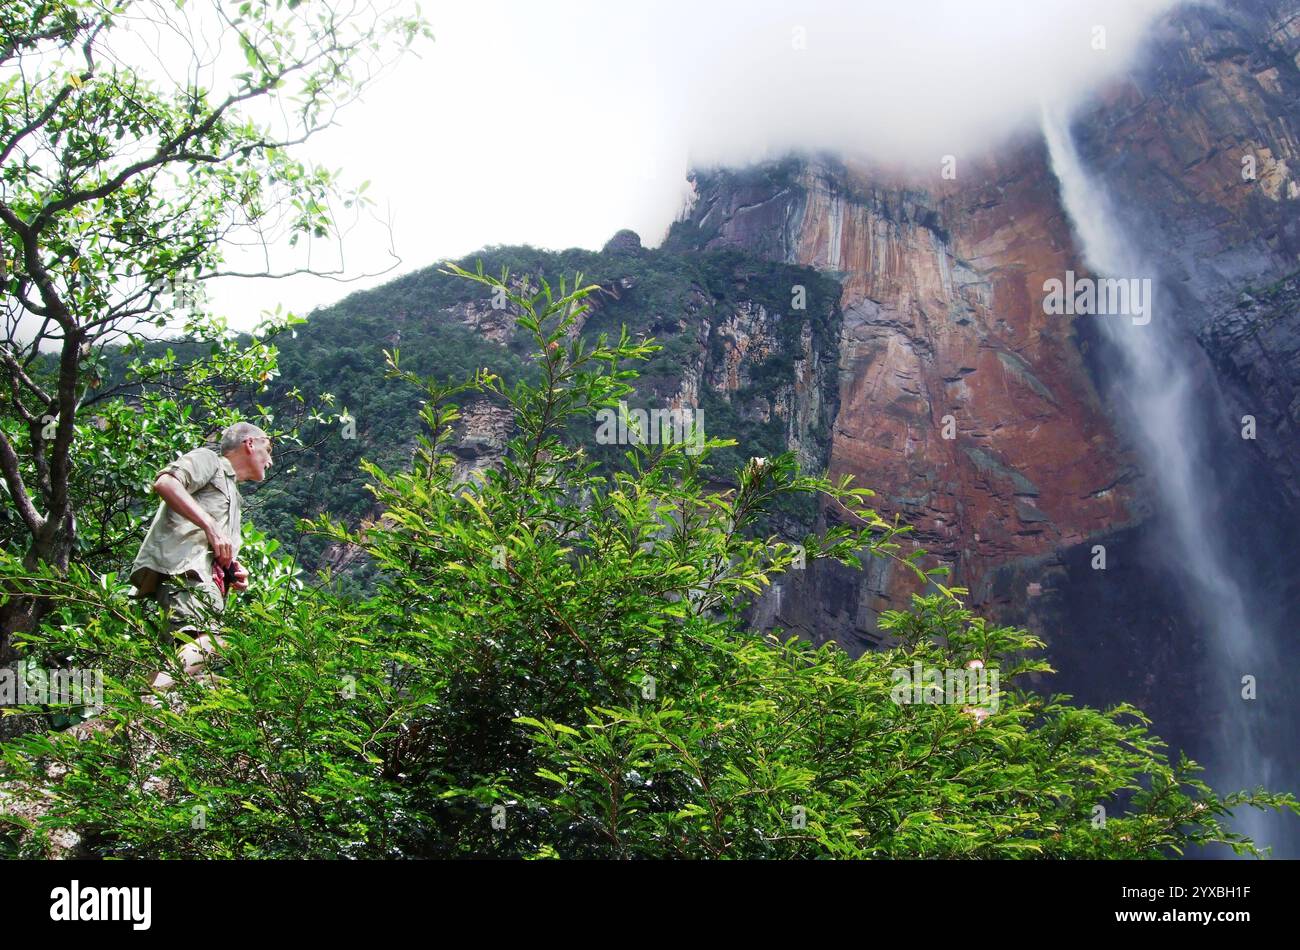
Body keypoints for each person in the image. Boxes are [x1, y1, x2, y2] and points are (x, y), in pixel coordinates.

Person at [129, 422, 273, 693]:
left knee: (182, 647)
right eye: (268, 448)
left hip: (206, 580)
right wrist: (210, 525)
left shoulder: (235, 496)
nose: (270, 460)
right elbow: (166, 483)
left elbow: (216, 545)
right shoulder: (210, 460)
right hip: (187, 572)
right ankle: (147, 700)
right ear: (250, 443)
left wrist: (233, 569)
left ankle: (139, 704)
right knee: (215, 640)